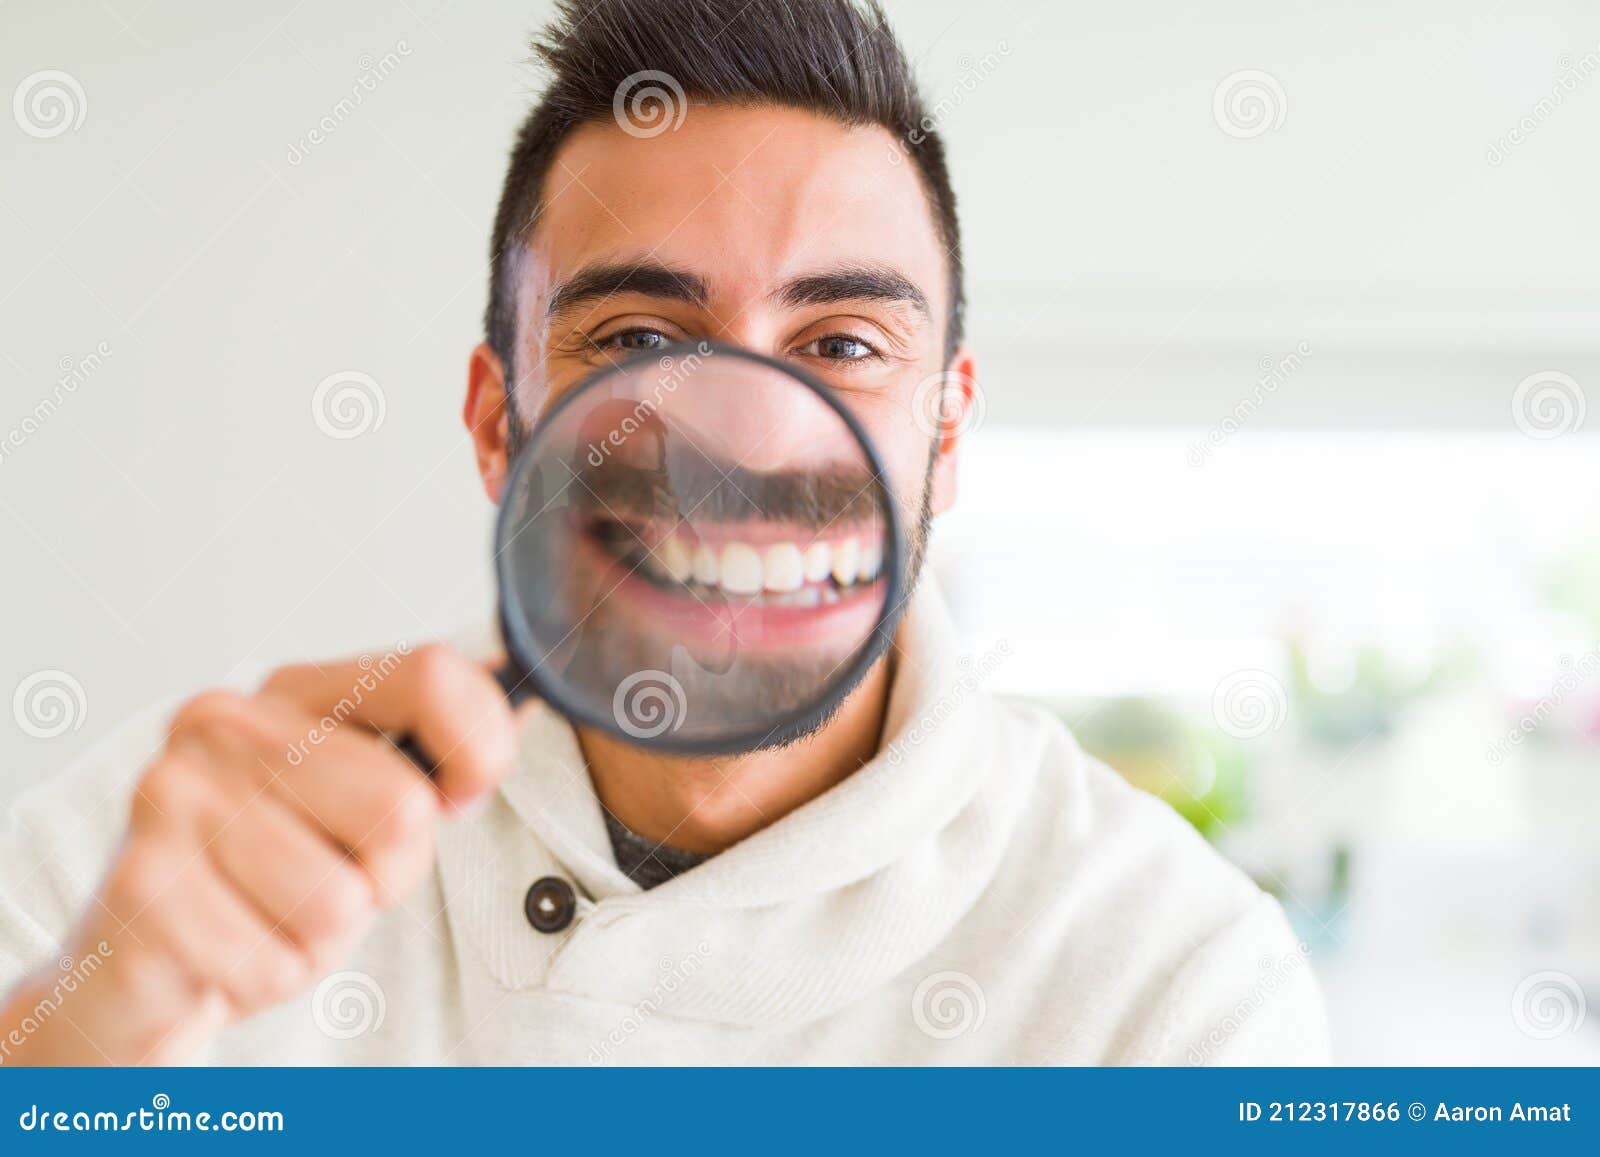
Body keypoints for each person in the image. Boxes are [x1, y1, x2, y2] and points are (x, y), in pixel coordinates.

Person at [0, 0, 1327, 1065]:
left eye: (844, 344)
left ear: (947, 433)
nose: (743, 442)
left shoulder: (1171, 982)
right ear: (494, 421)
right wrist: (81, 1050)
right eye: (638, 339)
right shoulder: (157, 858)